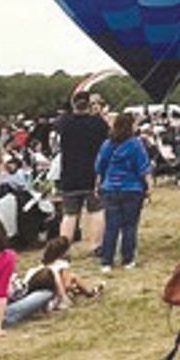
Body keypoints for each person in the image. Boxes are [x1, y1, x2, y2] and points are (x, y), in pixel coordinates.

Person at [95, 112, 152, 272]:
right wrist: (148, 187)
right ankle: (128, 259)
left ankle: (107, 260)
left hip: (111, 188)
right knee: (130, 226)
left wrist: (99, 183)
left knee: (111, 226)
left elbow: (100, 166)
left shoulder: (107, 144)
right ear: (130, 126)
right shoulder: (136, 145)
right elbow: (143, 167)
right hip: (132, 189)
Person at [55, 95, 109, 251]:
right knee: (96, 211)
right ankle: (96, 245)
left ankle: (63, 249)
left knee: (69, 214)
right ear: (89, 105)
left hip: (69, 174)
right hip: (93, 174)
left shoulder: (64, 123)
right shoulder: (98, 124)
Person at [24, 236, 102, 309]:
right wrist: (71, 288)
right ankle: (90, 292)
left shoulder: (42, 266)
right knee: (73, 277)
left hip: (32, 294)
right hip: (54, 297)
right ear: (63, 252)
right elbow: (67, 285)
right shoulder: (62, 264)